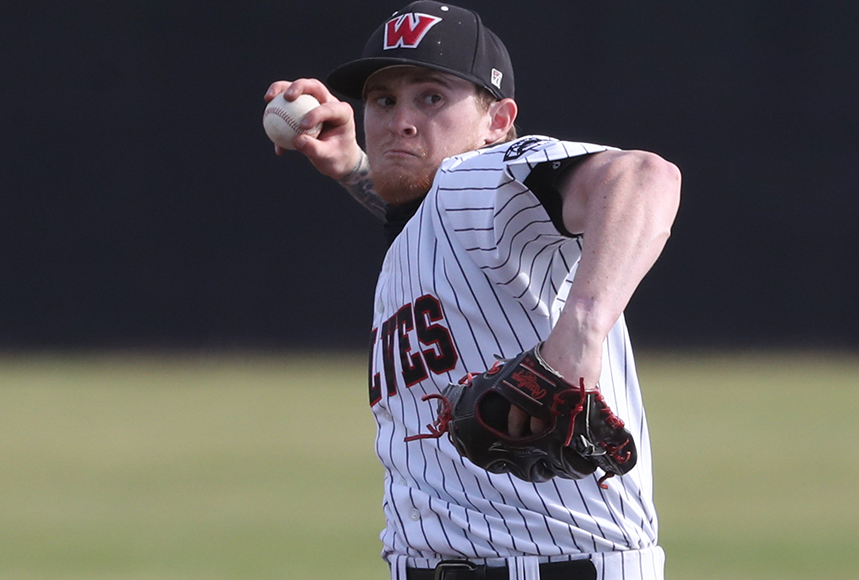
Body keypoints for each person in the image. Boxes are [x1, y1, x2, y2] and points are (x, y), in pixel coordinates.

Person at [264, 2, 681, 579]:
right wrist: (357, 167)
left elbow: (644, 176)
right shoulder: (437, 218)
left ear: (497, 121)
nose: (400, 120)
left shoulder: (480, 176)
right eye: (383, 100)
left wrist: (579, 336)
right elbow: (420, 215)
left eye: (431, 97)